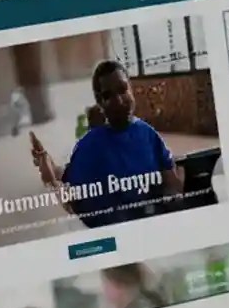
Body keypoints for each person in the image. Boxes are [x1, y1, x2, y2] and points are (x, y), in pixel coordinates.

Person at [30, 60, 183, 227]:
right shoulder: (88, 147)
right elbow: (71, 202)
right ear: (100, 102)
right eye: (108, 95)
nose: (118, 100)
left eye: (122, 90)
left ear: (131, 90)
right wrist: (49, 175)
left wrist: (172, 196)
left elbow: (171, 177)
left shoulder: (149, 135)